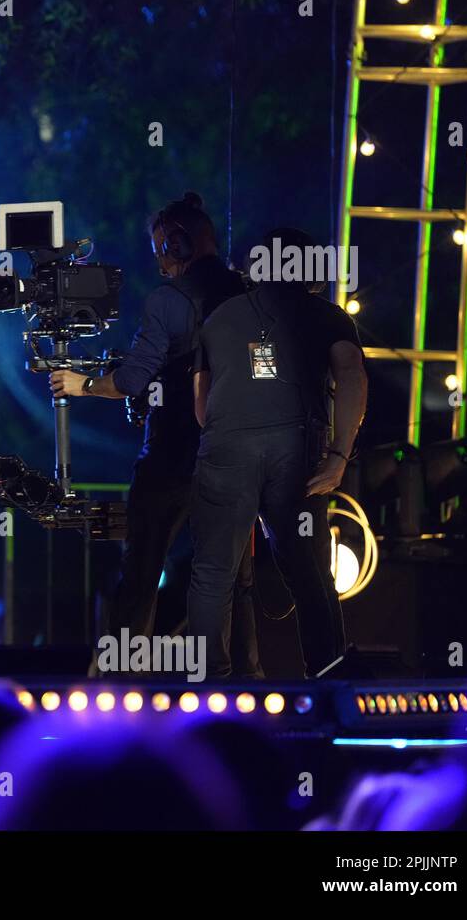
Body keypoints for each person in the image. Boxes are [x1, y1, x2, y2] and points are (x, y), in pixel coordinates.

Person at [51, 192, 260, 677]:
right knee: (232, 578)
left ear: (176, 246)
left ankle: (118, 682)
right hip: (236, 459)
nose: (160, 262)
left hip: (171, 457)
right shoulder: (251, 295)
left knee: (142, 570)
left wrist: (81, 384)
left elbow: (131, 380)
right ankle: (242, 683)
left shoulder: (168, 300)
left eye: (159, 251)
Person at [188, 229, 368, 679]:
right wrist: (339, 455)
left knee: (213, 574)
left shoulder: (217, 315)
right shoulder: (330, 317)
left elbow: (200, 401)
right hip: (298, 449)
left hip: (226, 445)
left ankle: (210, 690)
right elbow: (352, 377)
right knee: (310, 573)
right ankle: (328, 680)